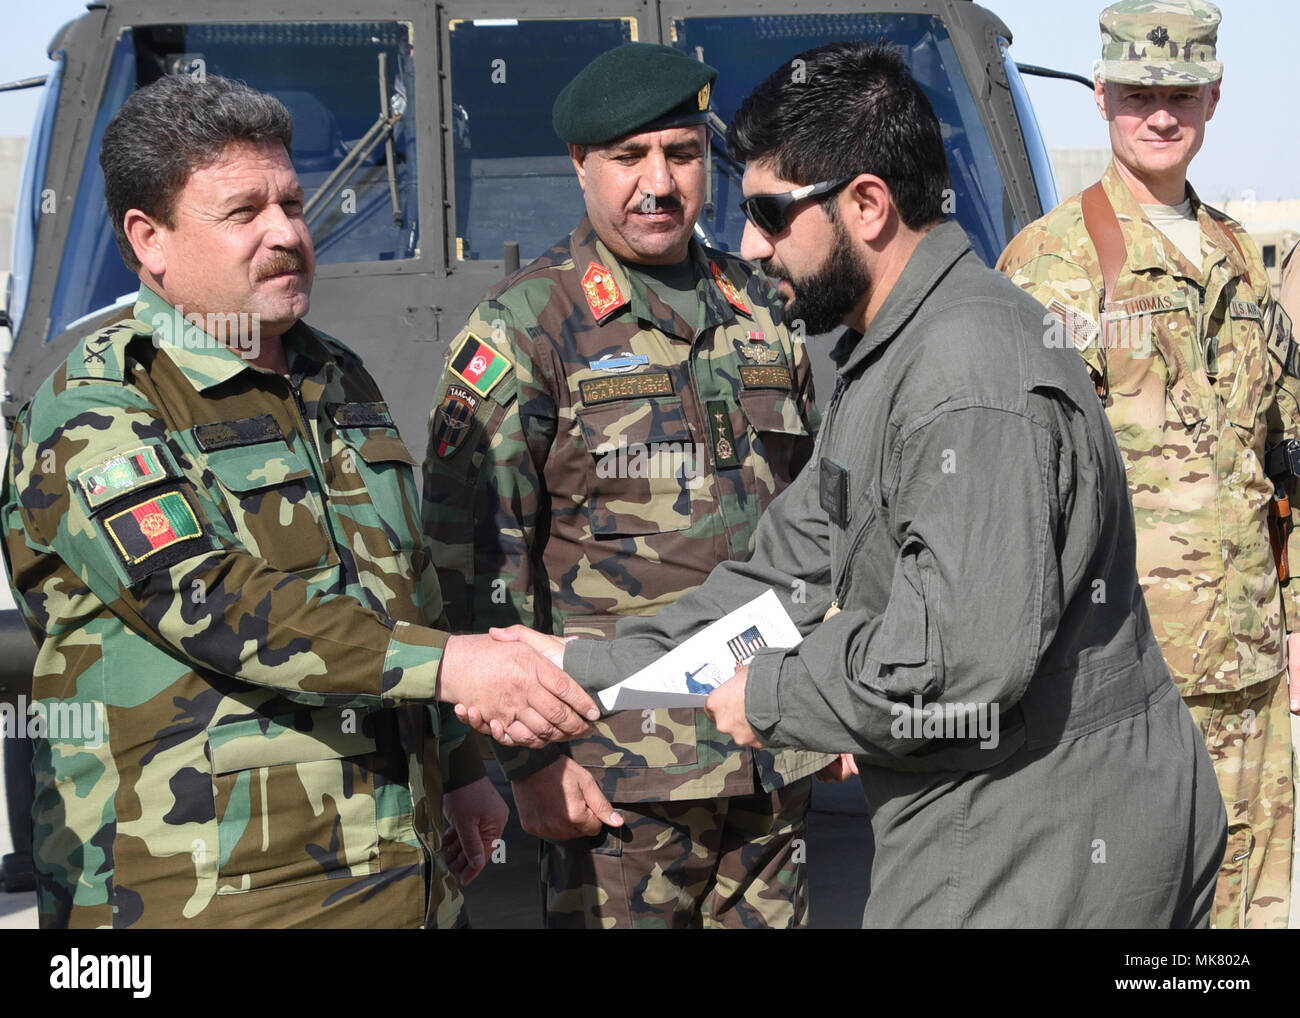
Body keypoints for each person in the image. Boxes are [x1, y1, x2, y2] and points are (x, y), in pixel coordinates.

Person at [470, 40, 1229, 928]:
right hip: (970, 812)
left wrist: (774, 697)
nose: (748, 242)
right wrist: (589, 666)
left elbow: (955, 665)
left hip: (1046, 834)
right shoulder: (892, 351)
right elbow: (784, 575)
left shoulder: (967, 377)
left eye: (768, 212)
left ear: (866, 204)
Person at [0, 73, 599, 929]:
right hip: (212, 894)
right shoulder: (101, 405)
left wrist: (462, 764)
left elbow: (406, 581)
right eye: (244, 213)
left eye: (292, 202)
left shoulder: (333, 371)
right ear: (150, 238)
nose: (286, 233)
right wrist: (460, 667)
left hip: (401, 873)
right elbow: (208, 597)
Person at [422, 42, 833, 929]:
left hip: (769, 750)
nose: (659, 183)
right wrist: (527, 765)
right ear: (580, 167)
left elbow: (821, 524)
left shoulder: (763, 309)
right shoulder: (526, 328)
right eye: (629, 158)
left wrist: (829, 693)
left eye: (682, 155)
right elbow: (469, 569)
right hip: (615, 779)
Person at [998, 0, 1295, 928]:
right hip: (1124, 682)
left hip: (1252, 676)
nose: (1159, 114)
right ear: (1100, 98)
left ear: (1212, 96)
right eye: (1137, 93)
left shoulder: (1245, 263)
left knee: (1247, 923)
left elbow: (1284, 468)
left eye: (1178, 93)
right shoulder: (1050, 266)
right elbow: (1017, 496)